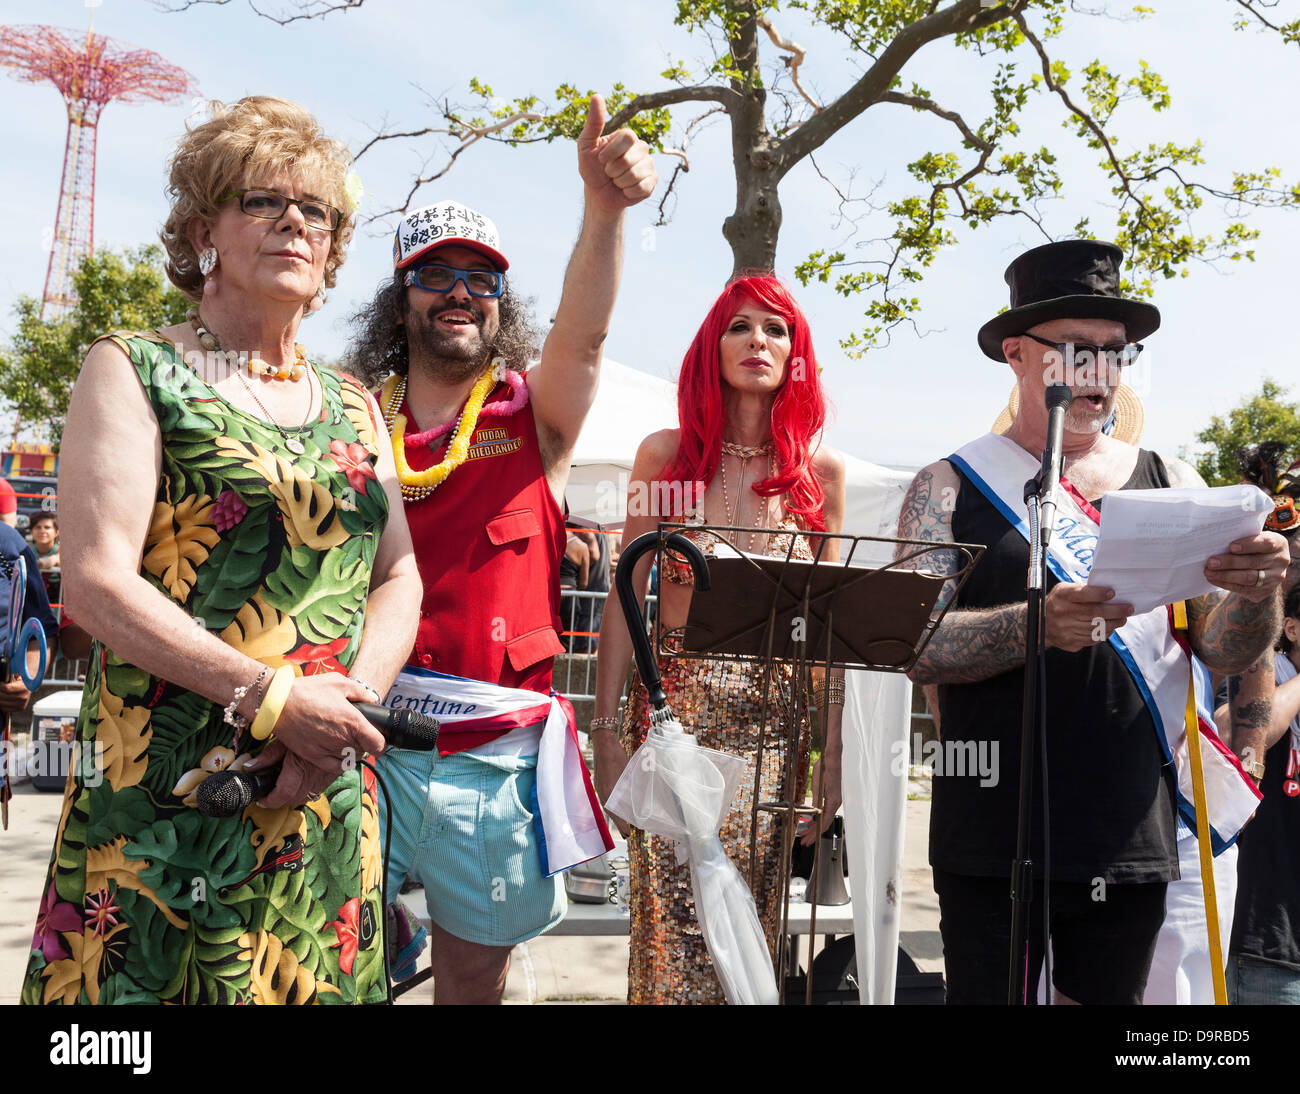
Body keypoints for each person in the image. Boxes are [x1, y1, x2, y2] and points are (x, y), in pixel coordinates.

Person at [21, 96, 421, 1006]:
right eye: (261, 201)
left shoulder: (356, 401)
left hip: (318, 789)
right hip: (167, 793)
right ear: (205, 229)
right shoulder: (133, 367)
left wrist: (342, 714)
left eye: (315, 210)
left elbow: (398, 573)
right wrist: (275, 699)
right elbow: (93, 580)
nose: (294, 221)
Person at [898, 239, 1286, 1006]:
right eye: (1076, 351)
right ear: (1015, 353)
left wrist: (1264, 590)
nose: (1099, 374)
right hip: (989, 825)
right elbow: (913, 647)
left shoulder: (1173, 480)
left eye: (1116, 354)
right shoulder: (946, 486)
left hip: (1128, 827)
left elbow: (1223, 645)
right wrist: (1033, 625)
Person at [346, 95, 656, 1005]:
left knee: (474, 978)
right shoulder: (351, 418)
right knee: (330, 962)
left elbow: (588, 335)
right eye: (435, 273)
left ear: (500, 303)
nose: (459, 292)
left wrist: (603, 211)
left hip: (492, 757)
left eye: (481, 279)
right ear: (398, 299)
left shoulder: (536, 419)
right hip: (360, 737)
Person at [591, 274, 846, 1004]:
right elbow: (624, 599)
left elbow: (827, 636)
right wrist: (606, 732)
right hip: (675, 729)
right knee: (672, 937)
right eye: (740, 326)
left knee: (750, 941)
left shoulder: (817, 475)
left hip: (775, 741)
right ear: (713, 345)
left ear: (797, 355)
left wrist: (831, 763)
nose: (758, 342)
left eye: (777, 329)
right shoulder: (665, 457)